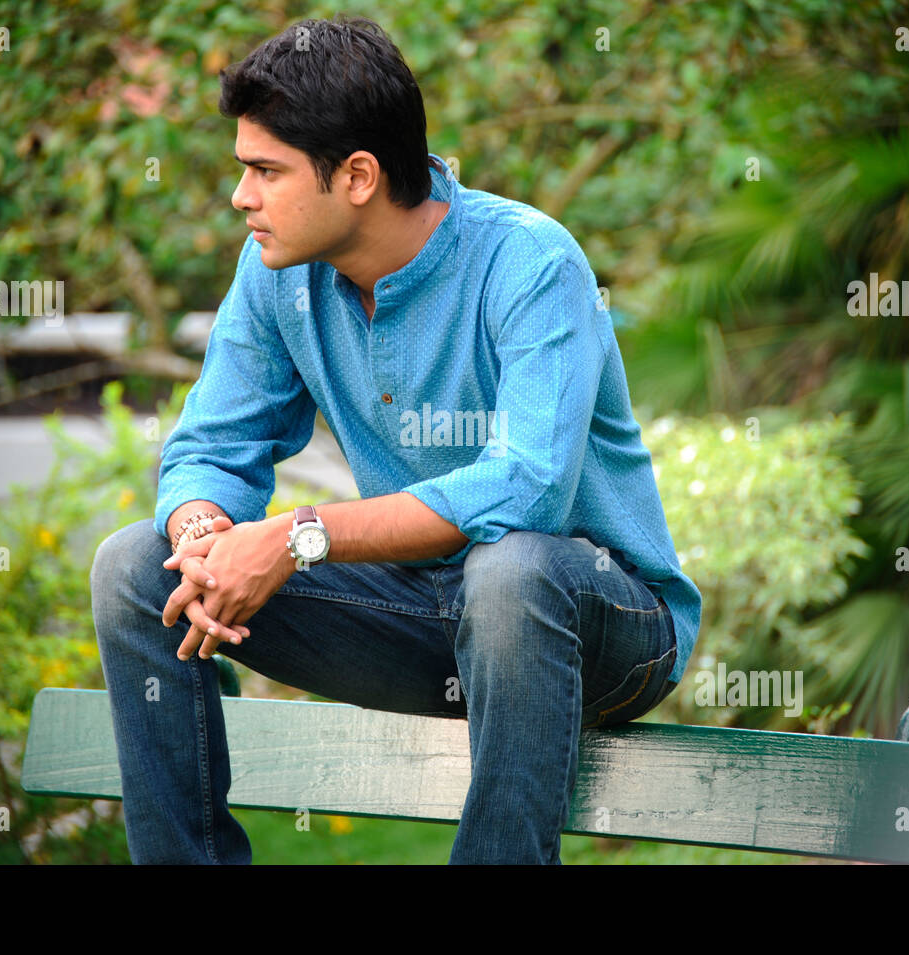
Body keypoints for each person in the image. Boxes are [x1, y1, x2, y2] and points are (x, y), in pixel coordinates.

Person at [90, 14, 703, 865]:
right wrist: (203, 539)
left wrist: (300, 536)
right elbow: (211, 447)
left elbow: (527, 490)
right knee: (134, 566)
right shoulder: (276, 272)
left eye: (265, 172)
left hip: (600, 625)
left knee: (512, 569)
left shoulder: (530, 264)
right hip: (428, 620)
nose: (241, 197)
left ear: (358, 177)